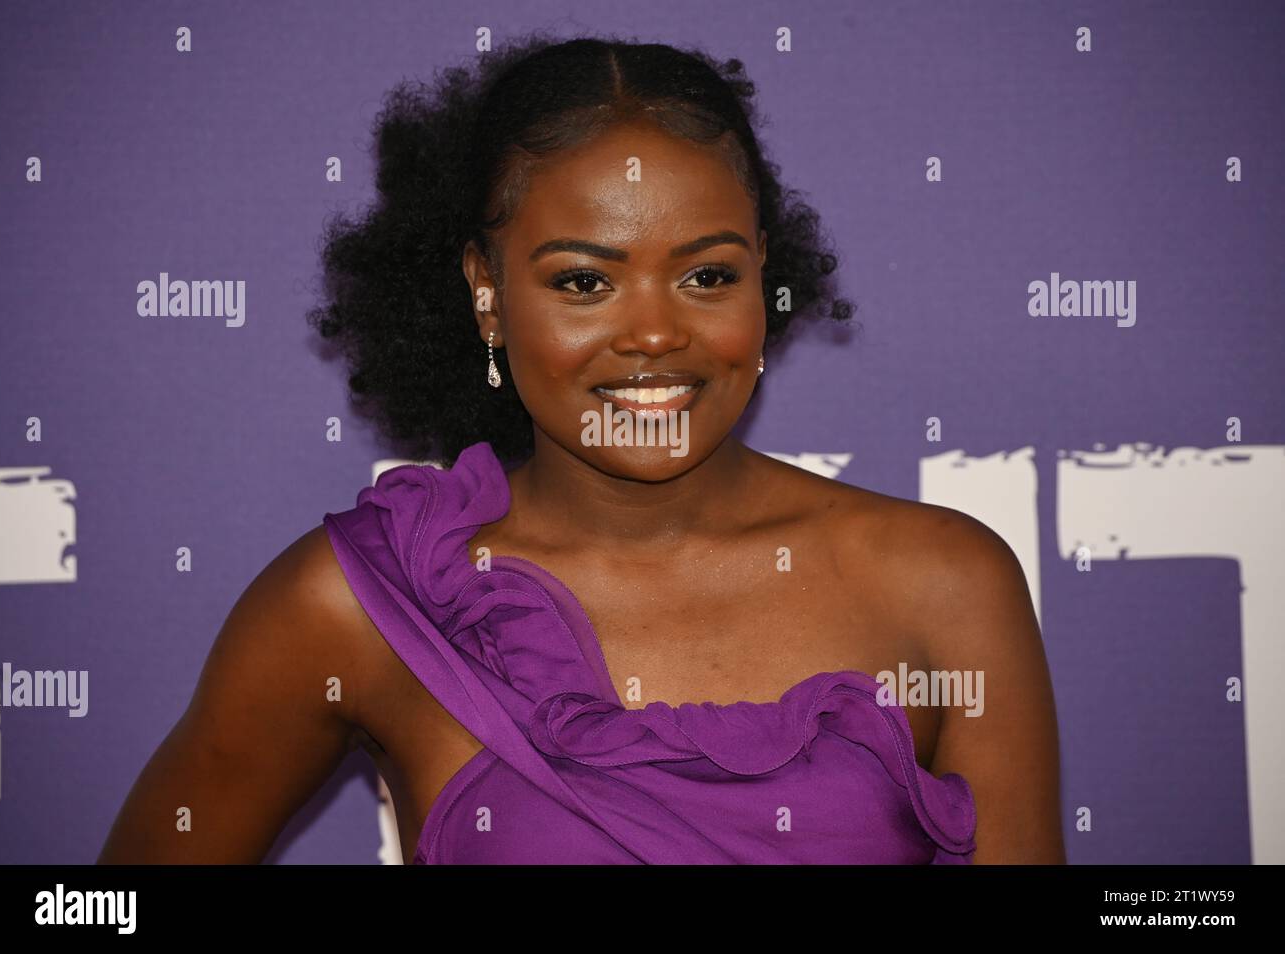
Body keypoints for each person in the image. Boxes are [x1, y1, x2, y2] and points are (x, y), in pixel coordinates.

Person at [99, 34, 1064, 865]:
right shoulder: (361, 604)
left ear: (764, 274)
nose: (652, 335)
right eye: (582, 283)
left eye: (708, 274)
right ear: (486, 290)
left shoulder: (945, 582)